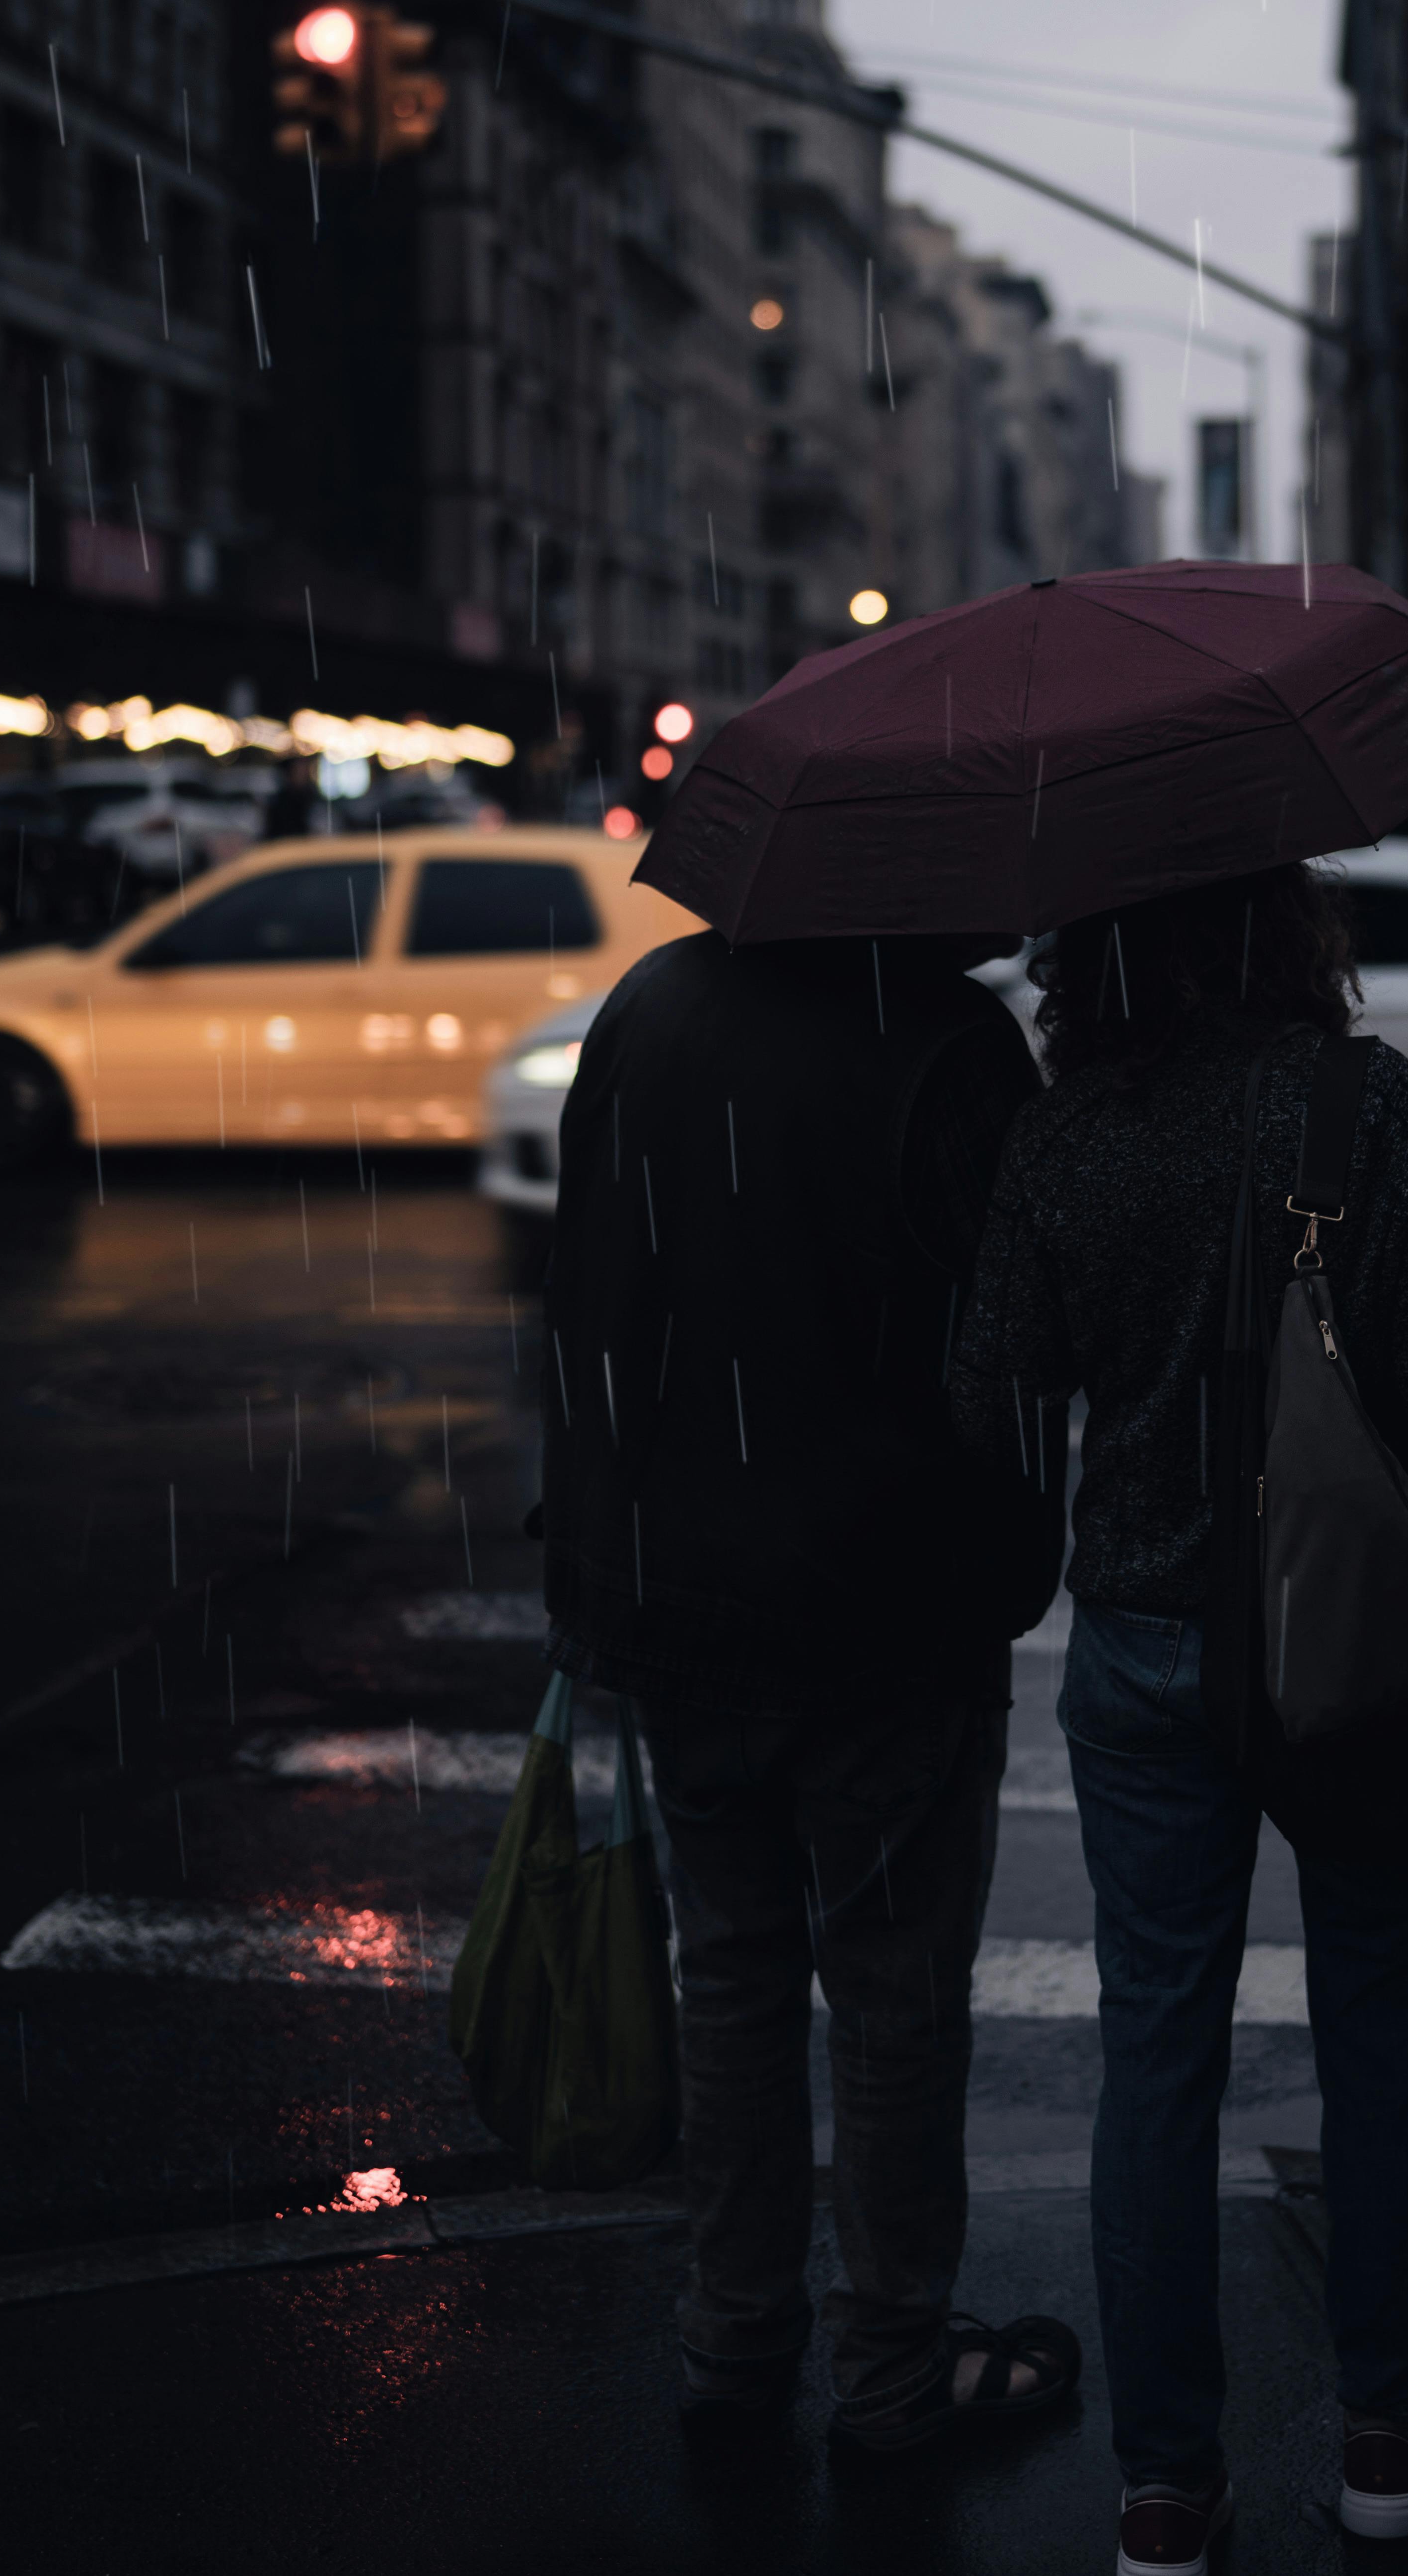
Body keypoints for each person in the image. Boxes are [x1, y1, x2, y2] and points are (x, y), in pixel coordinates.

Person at [953, 865, 1408, 2563]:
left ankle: (1163, 2489)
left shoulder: (1068, 1130)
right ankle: (1383, 2429)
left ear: (1091, 947)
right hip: (1351, 1639)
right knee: (1375, 2031)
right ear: (1283, 926)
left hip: (1145, 1642)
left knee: (1156, 2054)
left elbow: (998, 1376)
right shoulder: (1357, 1102)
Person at [538, 927, 1083, 2450]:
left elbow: (584, 1284)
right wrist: (1005, 1564)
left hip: (677, 1600)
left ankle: (732, 2341)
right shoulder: (947, 1044)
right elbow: (1014, 1347)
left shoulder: (650, 1007)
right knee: (895, 2006)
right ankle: (889, 2366)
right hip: (885, 1613)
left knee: (732, 1982)